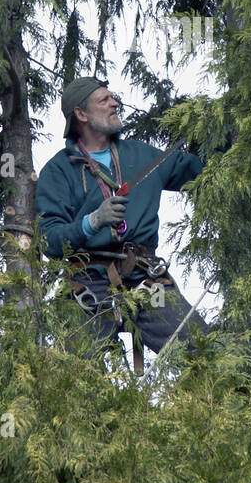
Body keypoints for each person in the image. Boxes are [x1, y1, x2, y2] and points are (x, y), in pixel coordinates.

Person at [34, 77, 208, 367]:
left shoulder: (141, 155)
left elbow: (203, 172)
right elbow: (48, 240)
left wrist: (224, 130)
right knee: (72, 381)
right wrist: (92, 222)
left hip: (145, 279)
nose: (115, 103)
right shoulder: (59, 170)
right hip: (87, 286)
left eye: (113, 97)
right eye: (104, 100)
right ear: (81, 114)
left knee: (206, 356)